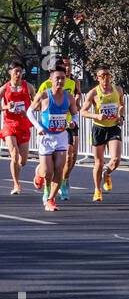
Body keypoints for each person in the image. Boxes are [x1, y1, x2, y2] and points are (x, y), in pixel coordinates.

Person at [26, 64, 76, 212]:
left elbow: (75, 114)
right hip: (46, 137)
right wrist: (38, 127)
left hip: (61, 136)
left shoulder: (69, 97)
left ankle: (51, 199)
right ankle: (41, 177)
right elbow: (29, 112)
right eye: (57, 79)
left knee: (59, 168)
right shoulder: (43, 96)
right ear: (51, 79)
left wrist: (73, 122)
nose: (60, 81)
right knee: (48, 172)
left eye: (62, 78)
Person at [37, 56, 80, 201]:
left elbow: (75, 100)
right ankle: (42, 173)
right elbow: (36, 106)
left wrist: (73, 119)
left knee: (68, 158)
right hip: (47, 132)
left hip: (65, 127)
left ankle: (61, 185)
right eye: (63, 66)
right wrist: (39, 125)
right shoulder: (45, 87)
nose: (66, 69)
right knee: (47, 171)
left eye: (67, 66)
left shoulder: (72, 83)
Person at [80, 67, 124, 202]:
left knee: (116, 160)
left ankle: (107, 173)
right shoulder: (93, 93)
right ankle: (97, 190)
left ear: (111, 77)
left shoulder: (118, 90)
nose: (105, 79)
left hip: (113, 128)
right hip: (99, 129)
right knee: (98, 162)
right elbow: (83, 111)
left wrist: (121, 116)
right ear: (97, 78)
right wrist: (97, 115)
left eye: (107, 76)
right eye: (101, 76)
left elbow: (121, 105)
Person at [2, 60, 33, 195]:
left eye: (20, 71)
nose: (19, 74)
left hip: (24, 124)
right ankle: (16, 184)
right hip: (9, 124)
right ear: (10, 72)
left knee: (23, 160)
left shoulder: (29, 87)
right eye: (16, 71)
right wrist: (5, 107)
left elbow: (37, 102)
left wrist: (29, 109)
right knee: (14, 154)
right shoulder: (4, 88)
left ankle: (18, 169)